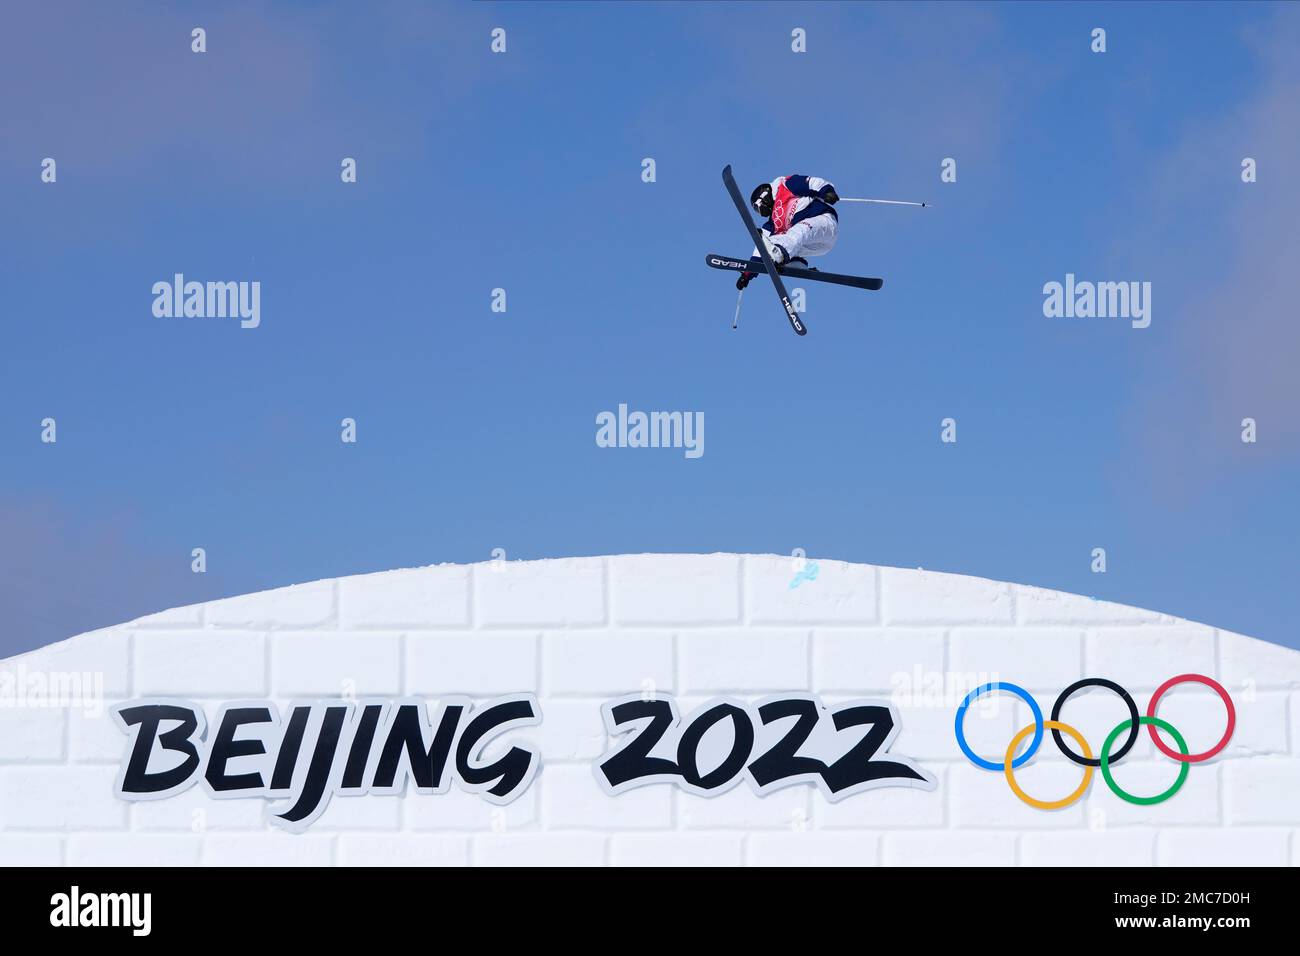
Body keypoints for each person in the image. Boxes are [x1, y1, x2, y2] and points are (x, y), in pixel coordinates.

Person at [736, 174, 840, 289]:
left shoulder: (785, 186)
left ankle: (781, 254)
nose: (760, 212)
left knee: (798, 231)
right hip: (820, 245)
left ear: (763, 198)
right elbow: (761, 248)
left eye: (758, 208)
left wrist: (827, 191)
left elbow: (811, 183)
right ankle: (795, 264)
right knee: (771, 242)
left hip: (823, 222)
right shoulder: (773, 223)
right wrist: (748, 273)